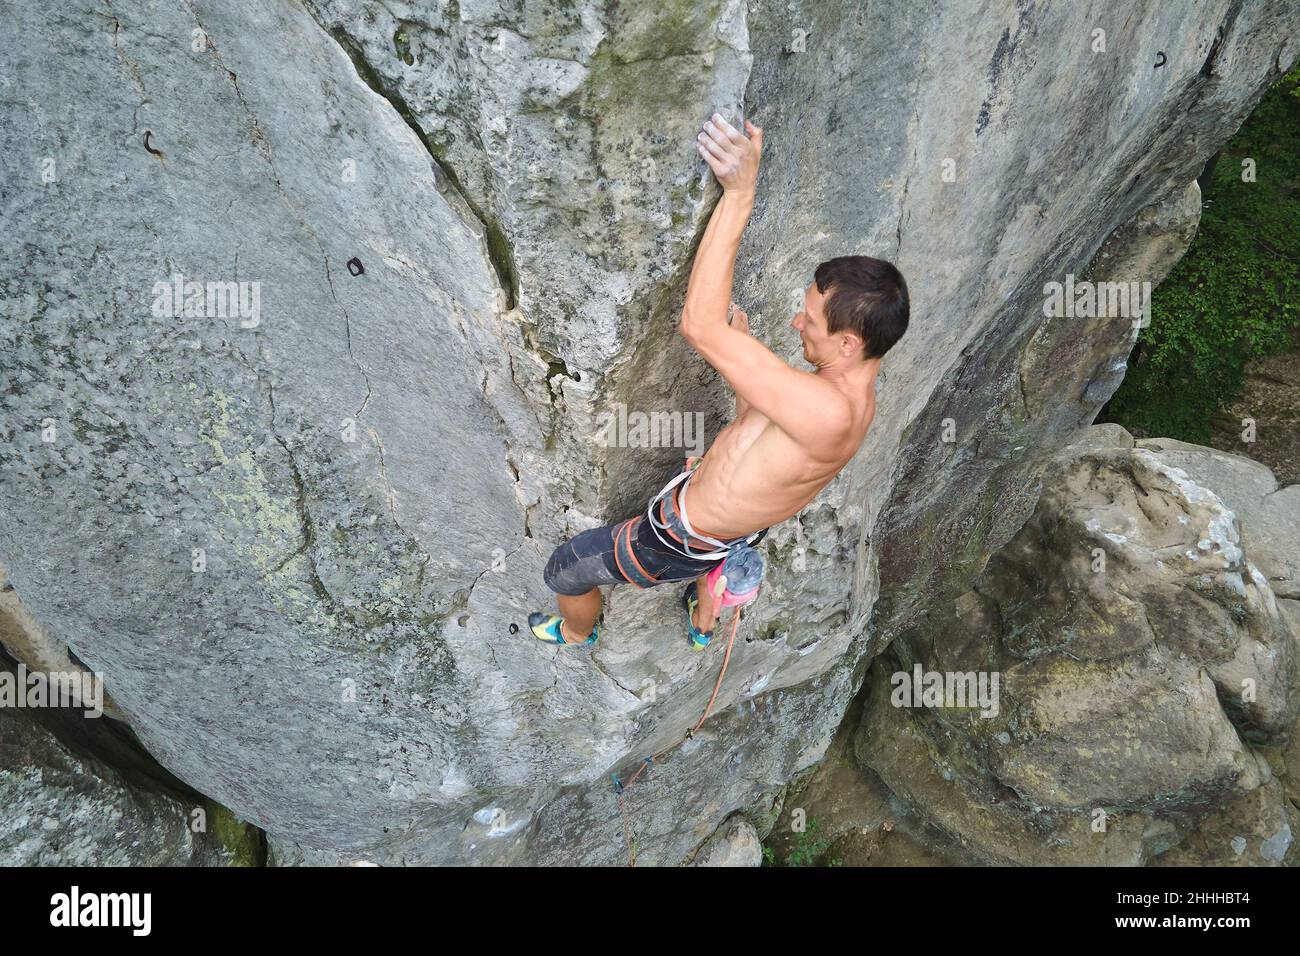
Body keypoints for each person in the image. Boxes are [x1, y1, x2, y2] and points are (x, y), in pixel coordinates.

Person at [529, 110, 909, 648]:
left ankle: (576, 631)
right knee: (714, 559)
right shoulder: (841, 387)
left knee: (566, 568)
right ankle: (706, 604)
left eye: (811, 320)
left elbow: (698, 324)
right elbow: (768, 419)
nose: (797, 321)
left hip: (678, 542)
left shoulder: (827, 412)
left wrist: (739, 196)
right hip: (729, 525)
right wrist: (742, 360)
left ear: (849, 342)